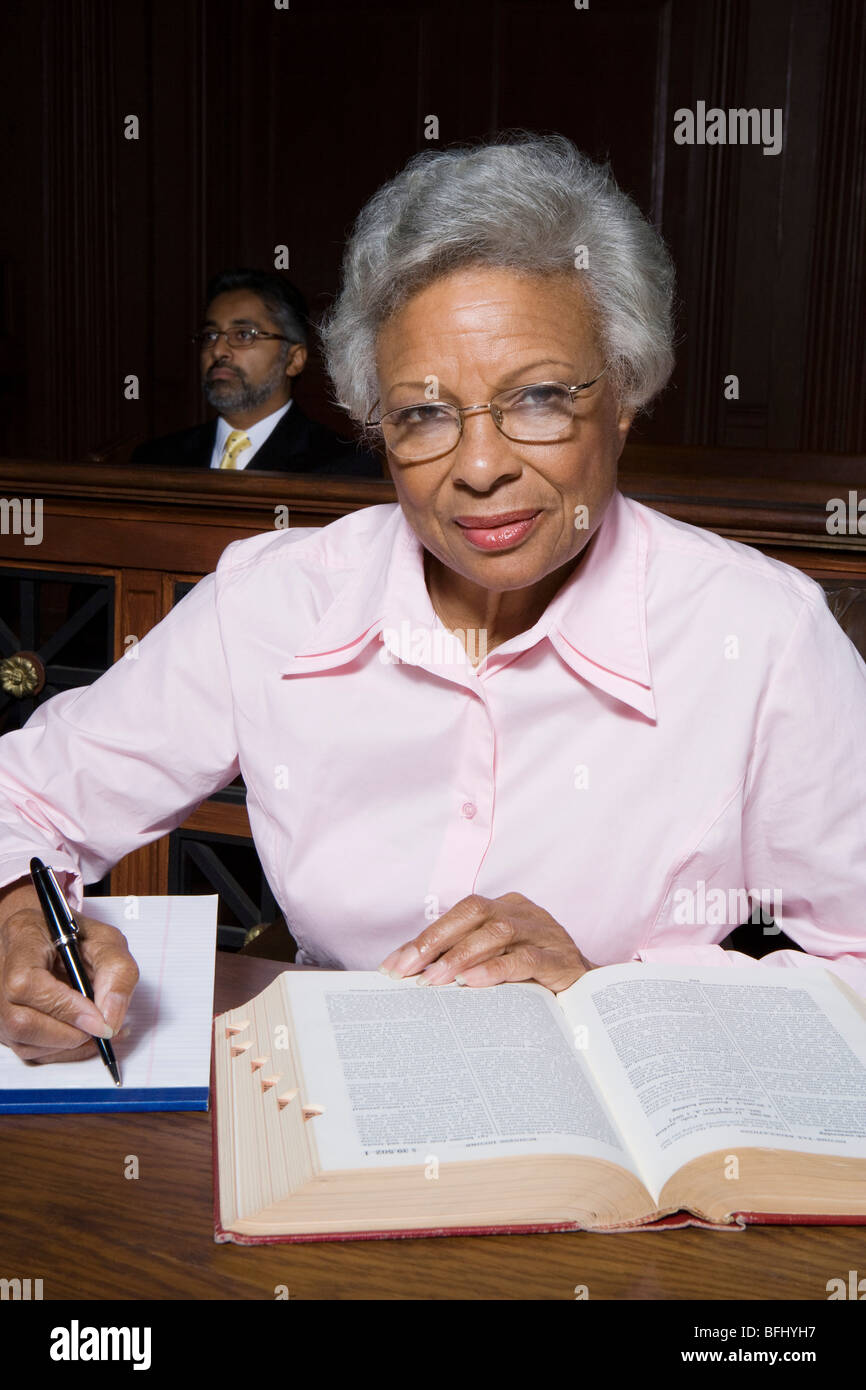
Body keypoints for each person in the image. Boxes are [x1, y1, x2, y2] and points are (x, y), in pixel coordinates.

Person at [0, 132, 864, 1069]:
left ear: (624, 397)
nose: (482, 468)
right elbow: (26, 795)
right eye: (424, 413)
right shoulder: (276, 603)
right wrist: (15, 917)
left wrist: (609, 995)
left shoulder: (761, 634)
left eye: (537, 398)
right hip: (330, 1114)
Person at [131, 268, 381, 477]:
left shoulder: (342, 466)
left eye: (243, 335)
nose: (218, 350)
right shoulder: (154, 460)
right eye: (210, 335)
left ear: (294, 359)